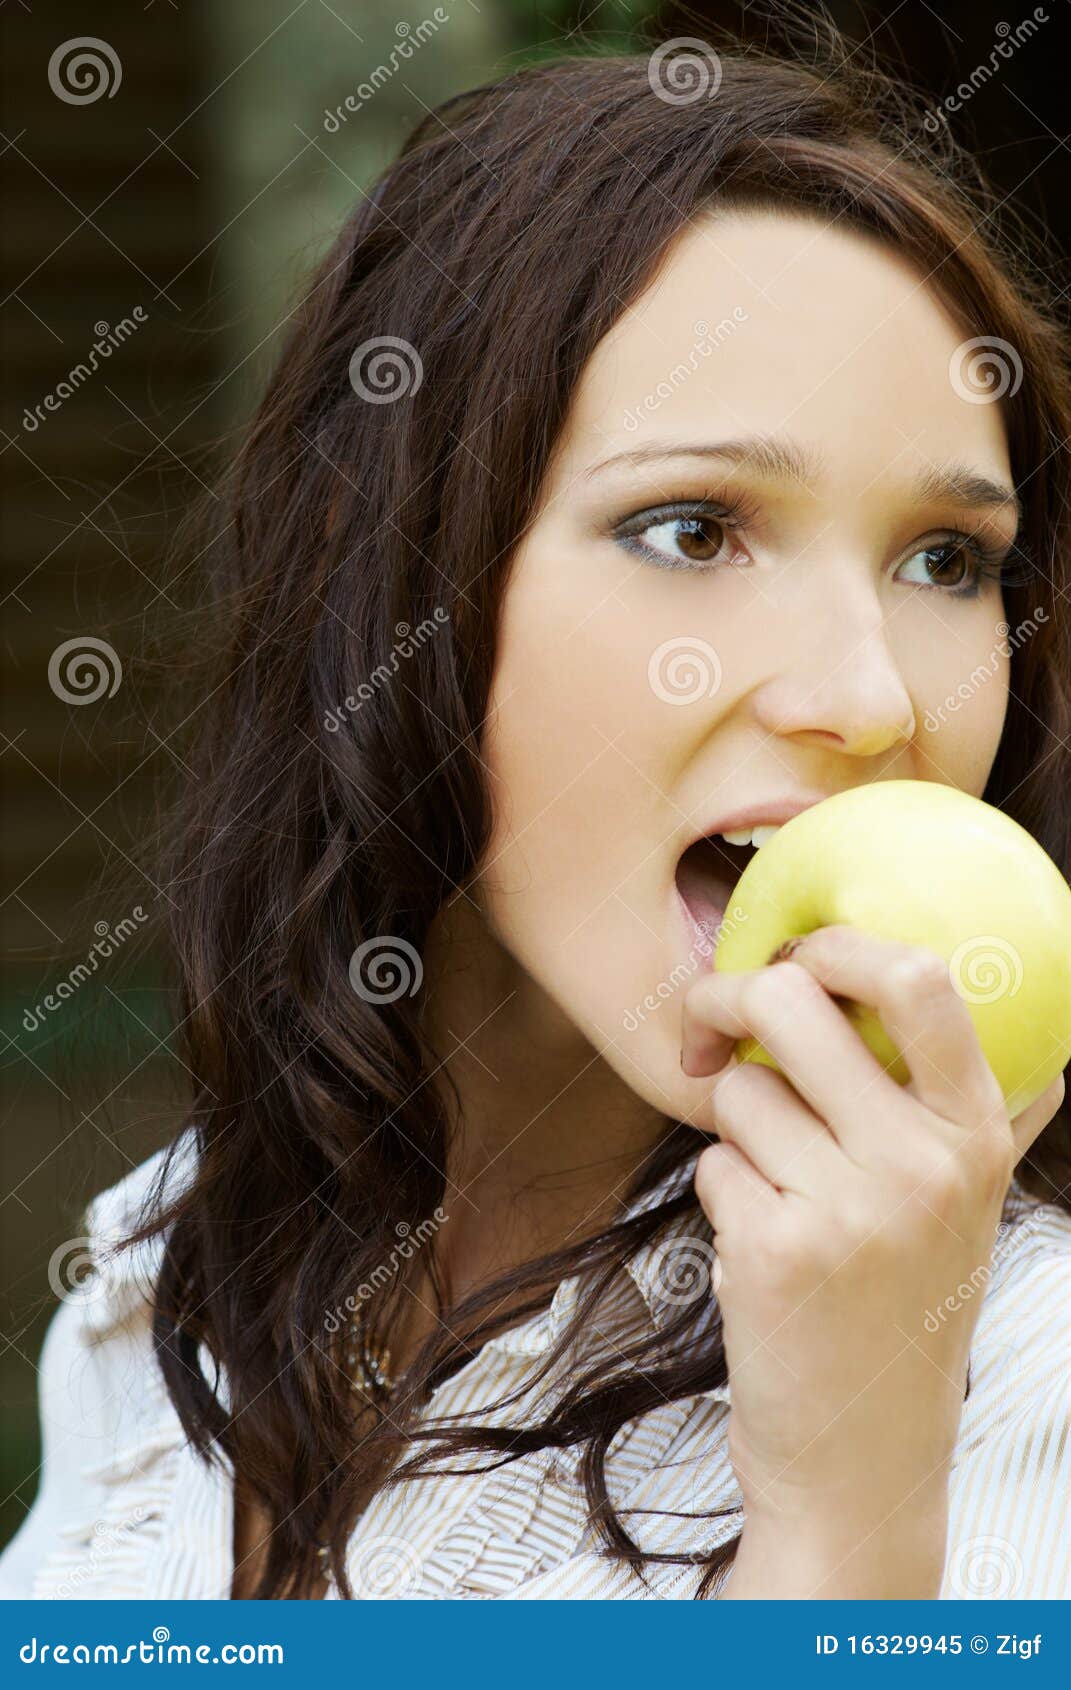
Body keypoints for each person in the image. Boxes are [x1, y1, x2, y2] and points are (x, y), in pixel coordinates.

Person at [4, 34, 1071, 1602]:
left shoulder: (1025, 1370)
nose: (871, 697)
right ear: (394, 590)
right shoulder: (168, 1260)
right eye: (695, 526)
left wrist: (853, 1499)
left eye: (945, 560)